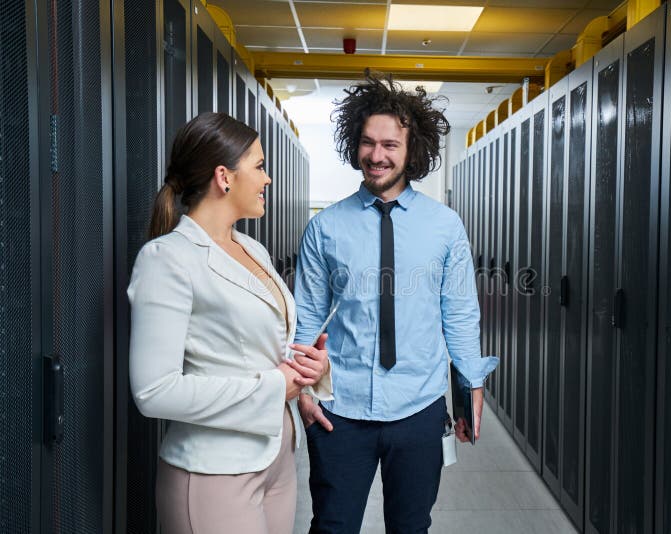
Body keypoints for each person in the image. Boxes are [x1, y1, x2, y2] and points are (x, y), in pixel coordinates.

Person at [293, 74, 498, 533]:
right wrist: (302, 395)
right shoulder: (326, 227)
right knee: (332, 526)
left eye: (389, 144)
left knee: (410, 527)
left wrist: (469, 392)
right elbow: (305, 316)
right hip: (339, 410)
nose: (377, 155)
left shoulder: (445, 226)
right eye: (367, 143)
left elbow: (460, 314)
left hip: (419, 408)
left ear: (412, 150)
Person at [128, 112, 332, 534]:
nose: (268, 179)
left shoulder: (251, 248)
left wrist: (308, 375)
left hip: (277, 458)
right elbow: (154, 391)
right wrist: (278, 385)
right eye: (259, 166)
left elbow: (263, 348)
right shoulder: (167, 258)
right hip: (214, 469)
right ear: (224, 177)